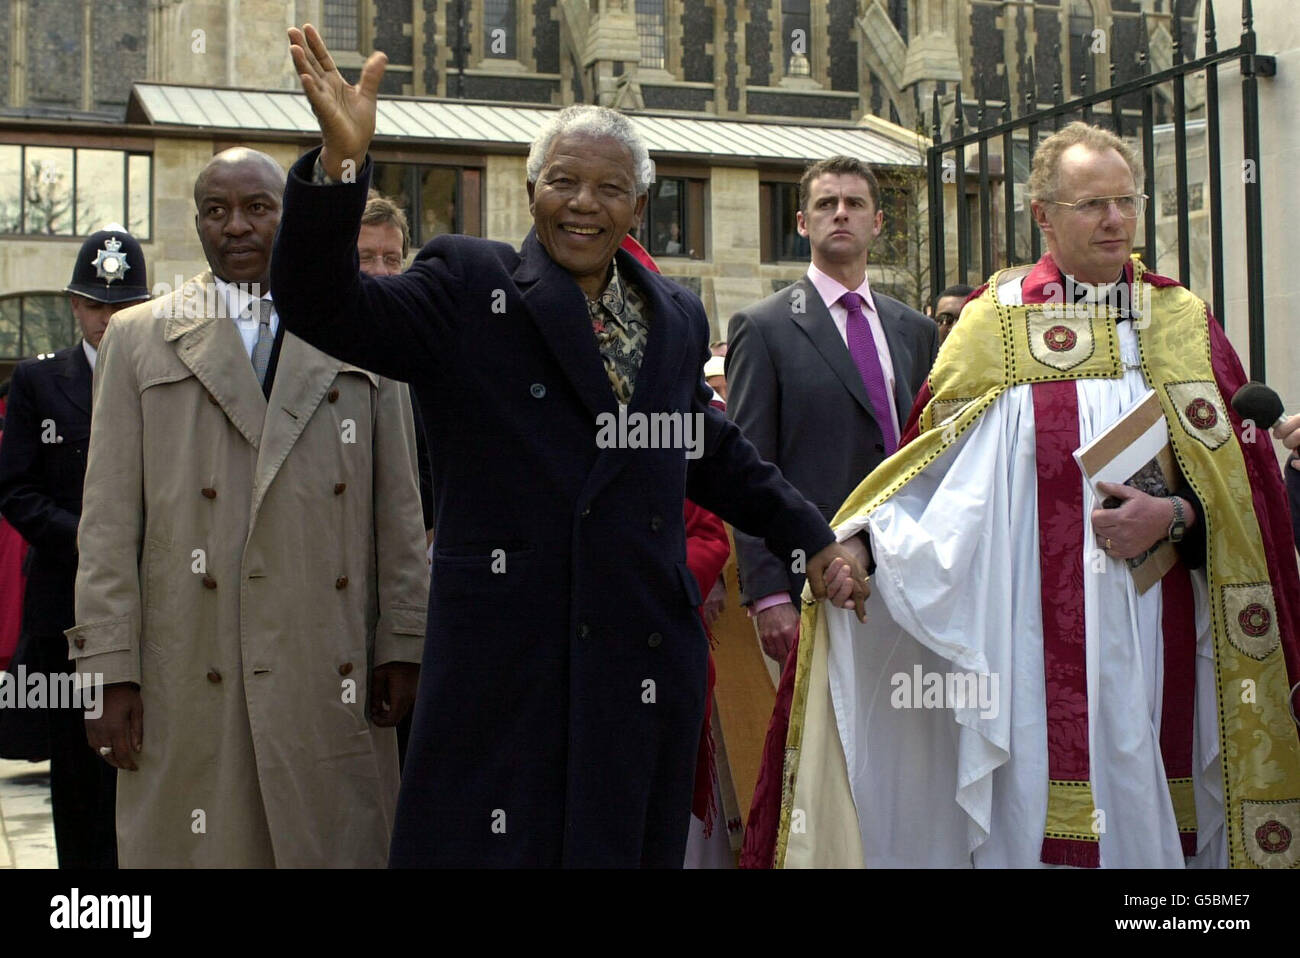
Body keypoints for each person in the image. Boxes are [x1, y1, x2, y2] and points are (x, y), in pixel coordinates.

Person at [275, 23, 868, 868]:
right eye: (564, 182)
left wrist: (811, 535)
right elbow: (321, 306)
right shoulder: (467, 284)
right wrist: (339, 168)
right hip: (509, 673)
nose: (584, 204)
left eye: (608, 188)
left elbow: (708, 447)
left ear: (637, 204)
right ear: (531, 191)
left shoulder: (673, 317)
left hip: (637, 669)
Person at [745, 121, 1300, 869]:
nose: (1115, 220)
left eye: (1125, 202)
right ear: (1042, 214)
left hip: (1162, 633)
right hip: (1026, 648)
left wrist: (1173, 517)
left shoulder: (1183, 324)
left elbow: (1247, 493)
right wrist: (861, 546)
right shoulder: (990, 328)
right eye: (1091, 204)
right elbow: (935, 486)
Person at [66, 148, 430, 868]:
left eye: (258, 208)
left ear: (290, 216)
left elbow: (399, 508)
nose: (236, 226)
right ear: (196, 220)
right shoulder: (140, 339)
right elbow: (107, 523)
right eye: (215, 210)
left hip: (327, 662)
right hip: (192, 664)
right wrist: (107, 670)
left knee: (330, 839)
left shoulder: (362, 327)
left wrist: (404, 640)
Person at [725, 156, 937, 686]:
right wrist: (769, 593)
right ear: (803, 222)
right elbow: (748, 466)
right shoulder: (763, 327)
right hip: (814, 576)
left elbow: (931, 449)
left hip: (912, 569)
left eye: (854, 204)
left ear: (878, 222)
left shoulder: (914, 329)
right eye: (826, 204)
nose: (840, 214)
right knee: (823, 757)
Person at [0, 228, 152, 867]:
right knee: (78, 775)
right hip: (65, 610)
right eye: (95, 305)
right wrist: (97, 541)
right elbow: (16, 490)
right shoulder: (39, 383)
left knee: (146, 770)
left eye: (121, 307)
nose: (107, 319)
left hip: (150, 607)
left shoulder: (164, 377)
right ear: (73, 305)